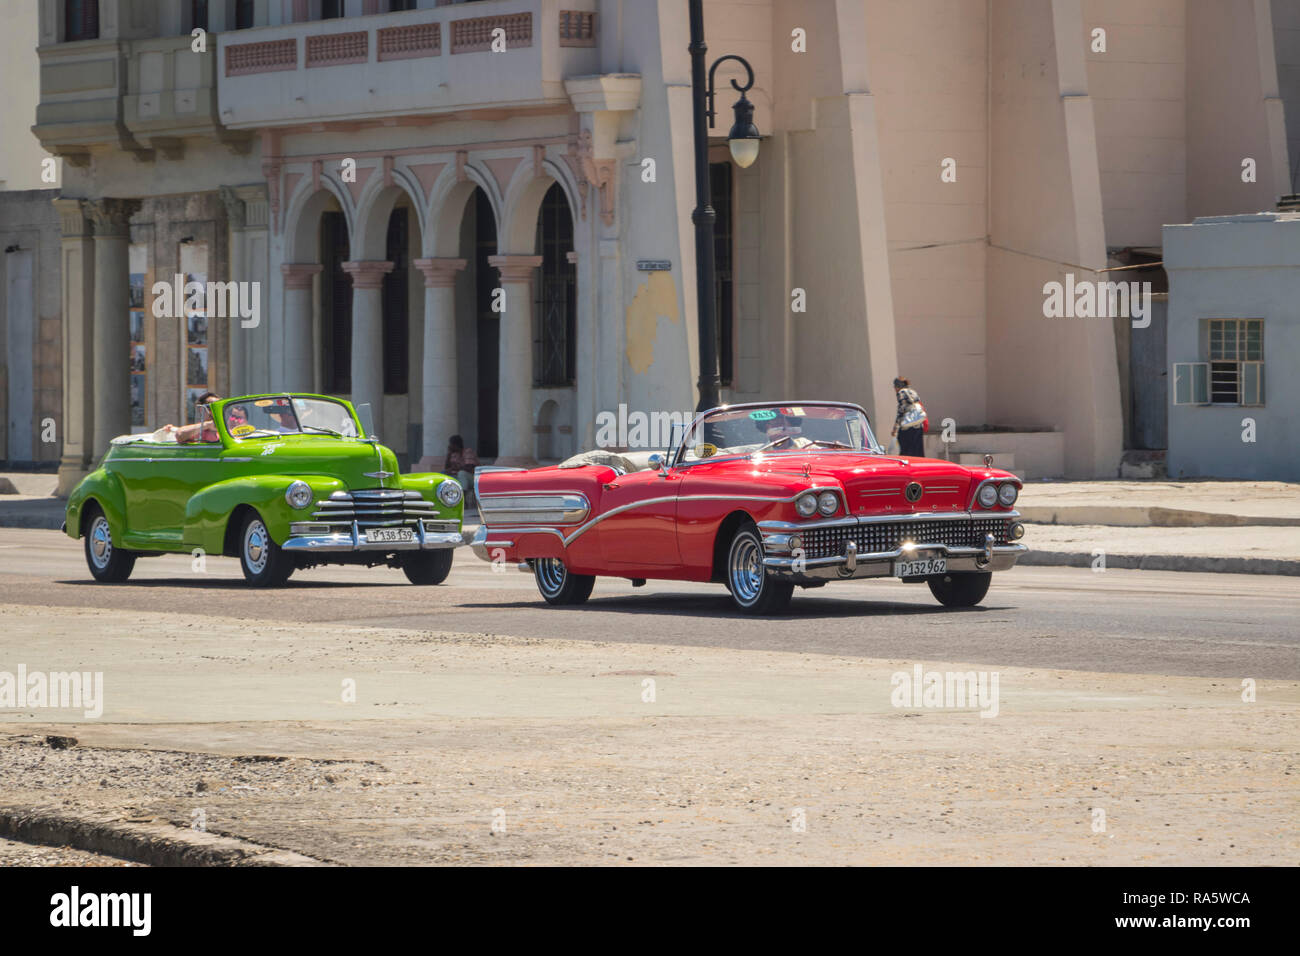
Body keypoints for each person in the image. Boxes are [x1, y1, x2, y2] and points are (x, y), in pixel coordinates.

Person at [891, 377, 927, 457]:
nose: (894, 389)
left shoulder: (901, 392)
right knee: (917, 451)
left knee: (906, 451)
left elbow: (901, 411)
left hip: (907, 427)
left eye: (894, 386)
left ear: (897, 386)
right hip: (918, 425)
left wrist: (895, 428)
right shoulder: (913, 392)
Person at [444, 435, 479, 504]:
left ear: (456, 445)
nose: (450, 446)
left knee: (462, 473)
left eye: (451, 444)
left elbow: (470, 468)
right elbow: (446, 468)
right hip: (459, 476)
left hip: (472, 478)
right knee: (443, 474)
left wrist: (456, 468)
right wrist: (448, 454)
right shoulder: (454, 454)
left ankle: (462, 500)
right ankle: (447, 500)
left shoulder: (467, 452)